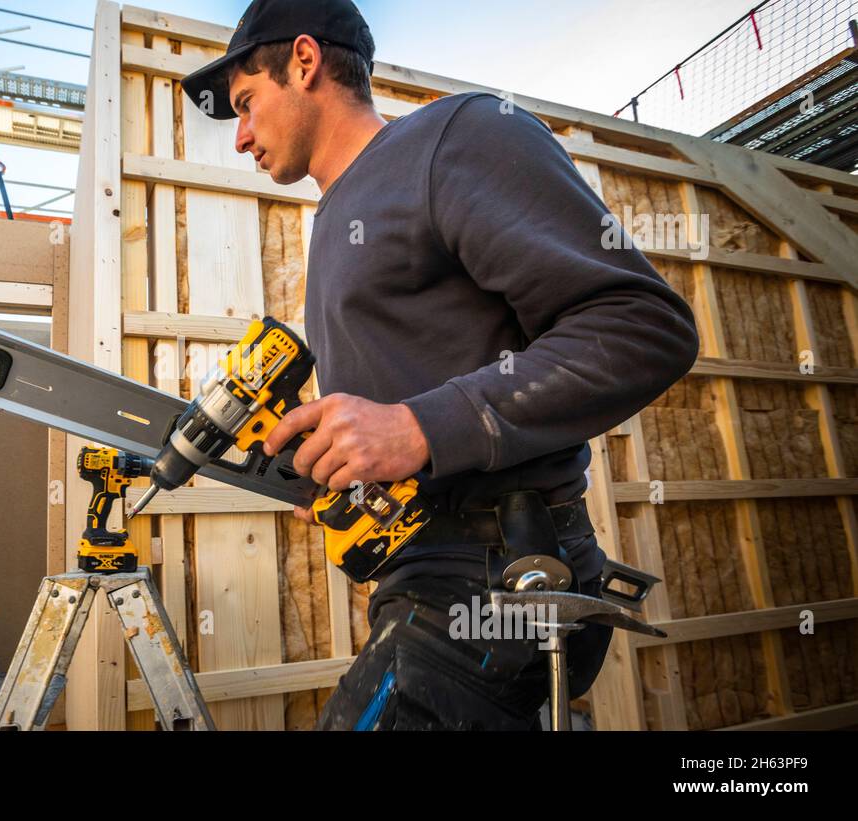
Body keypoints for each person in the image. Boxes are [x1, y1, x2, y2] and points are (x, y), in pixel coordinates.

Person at [180, 0, 700, 730]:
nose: (238, 137)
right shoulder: (335, 219)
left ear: (304, 61)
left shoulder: (458, 138)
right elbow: (415, 401)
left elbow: (645, 326)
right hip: (419, 573)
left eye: (245, 104)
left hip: (499, 572)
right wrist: (342, 468)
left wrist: (420, 426)